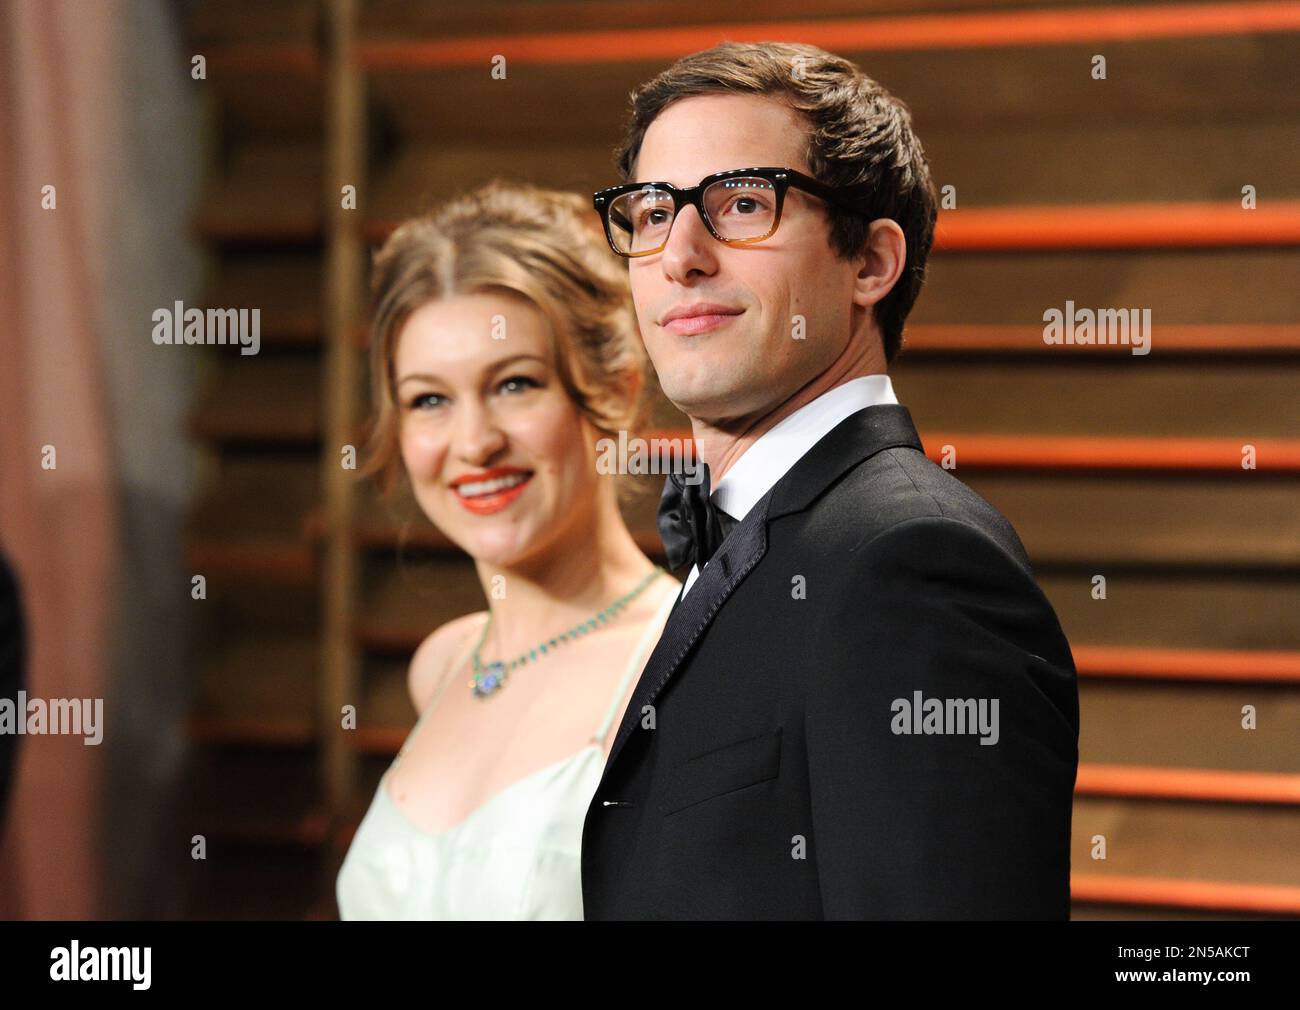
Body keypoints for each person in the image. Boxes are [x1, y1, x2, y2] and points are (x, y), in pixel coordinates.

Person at [581, 41, 1080, 919]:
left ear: (870, 264)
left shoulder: (916, 563)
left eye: (741, 204)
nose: (680, 255)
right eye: (652, 213)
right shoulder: (736, 538)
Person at [336, 180, 680, 920]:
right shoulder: (445, 665)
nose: (474, 444)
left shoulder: (683, 660)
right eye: (429, 399)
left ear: (615, 390)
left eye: (515, 384)